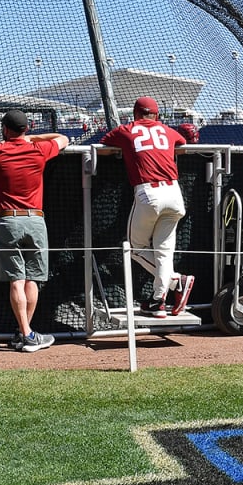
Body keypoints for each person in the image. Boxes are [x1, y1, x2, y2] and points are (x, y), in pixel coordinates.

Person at [99, 96, 193, 318]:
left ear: (135, 113)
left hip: (149, 193)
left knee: (135, 248)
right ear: (157, 115)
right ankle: (158, 301)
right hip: (174, 194)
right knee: (164, 252)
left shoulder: (127, 129)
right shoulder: (167, 130)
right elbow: (182, 143)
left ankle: (175, 282)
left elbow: (103, 145)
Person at [0, 109, 69, 352]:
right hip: (35, 220)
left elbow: (0, 143)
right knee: (32, 279)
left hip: (8, 221)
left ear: (4, 129)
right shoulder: (38, 149)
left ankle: (25, 333)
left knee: (16, 280)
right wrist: (31, 138)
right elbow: (63, 138)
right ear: (27, 128)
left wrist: (22, 138)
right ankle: (26, 333)